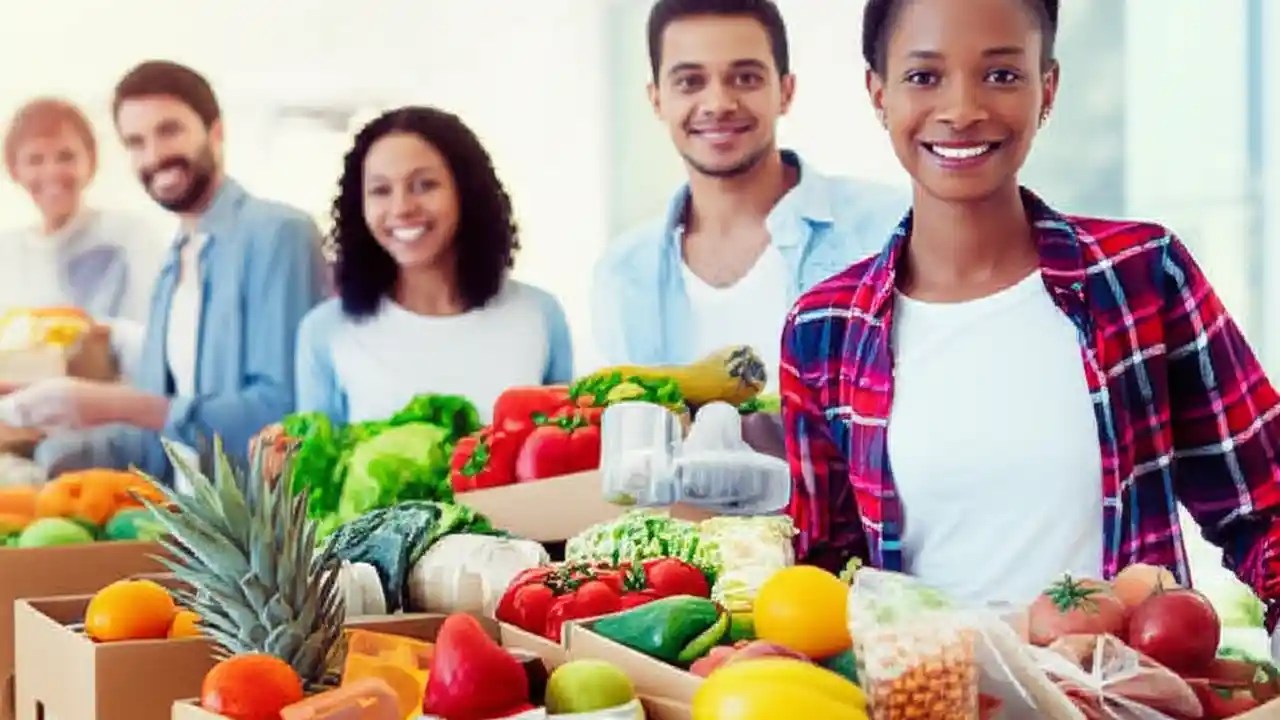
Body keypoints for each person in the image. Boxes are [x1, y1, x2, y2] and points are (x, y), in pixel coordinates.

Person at [782, 0, 1280, 633]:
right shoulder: (822, 328)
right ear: (878, 93)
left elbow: (1266, 504)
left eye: (1001, 75)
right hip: (927, 697)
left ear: (1047, 88)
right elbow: (823, 580)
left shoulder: (1141, 277)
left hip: (1125, 696)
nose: (961, 111)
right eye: (924, 77)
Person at [0, 60, 329, 480]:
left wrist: (111, 403)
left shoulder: (278, 235)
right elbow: (159, 438)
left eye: (169, 131)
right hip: (183, 527)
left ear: (216, 131)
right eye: (135, 142)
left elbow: (282, 416)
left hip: (255, 535)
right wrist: (43, 451)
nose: (153, 156)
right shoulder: (173, 262)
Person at [591, 0, 907, 379]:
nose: (719, 104)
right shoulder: (624, 274)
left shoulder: (887, 231)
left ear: (786, 91)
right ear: (657, 99)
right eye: (690, 82)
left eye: (745, 78)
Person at [295, 106, 572, 424]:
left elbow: (565, 457)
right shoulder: (325, 331)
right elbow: (314, 467)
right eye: (381, 190)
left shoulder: (538, 314)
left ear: (466, 192)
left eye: (424, 185)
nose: (401, 208)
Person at [0, 98, 163, 377]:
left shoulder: (131, 237)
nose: (51, 172)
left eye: (66, 156)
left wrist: (96, 335)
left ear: (91, 161)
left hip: (116, 411)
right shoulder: (8, 251)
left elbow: (162, 342)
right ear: (14, 170)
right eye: (34, 160)